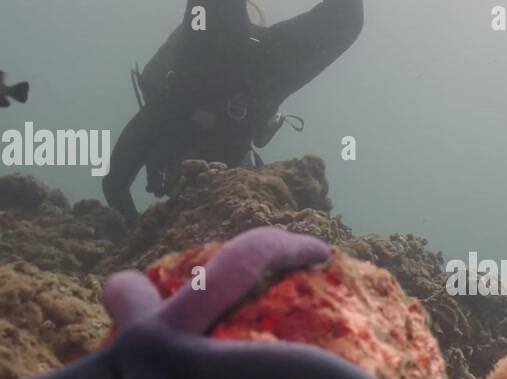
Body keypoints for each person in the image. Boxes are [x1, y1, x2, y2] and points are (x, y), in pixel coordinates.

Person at [103, 0, 365, 222]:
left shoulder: (164, 114)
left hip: (201, 71)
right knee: (347, 20)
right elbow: (115, 184)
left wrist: (136, 232)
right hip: (258, 81)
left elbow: (115, 183)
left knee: (346, 20)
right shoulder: (242, 169)